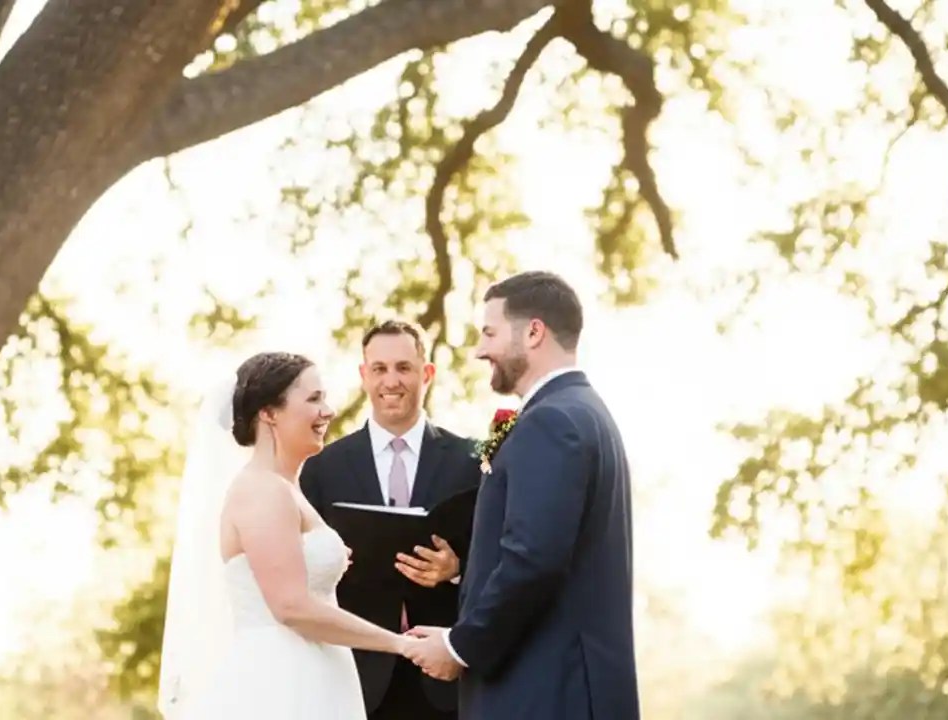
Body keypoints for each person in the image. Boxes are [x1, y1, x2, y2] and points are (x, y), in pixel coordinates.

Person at [406, 271, 641, 719]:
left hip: (546, 693)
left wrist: (459, 646)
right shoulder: (583, 412)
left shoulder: (552, 422)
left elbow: (533, 559)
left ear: (534, 331)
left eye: (489, 332)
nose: (479, 349)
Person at [157, 351, 421, 719]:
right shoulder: (262, 491)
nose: (327, 411)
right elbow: (291, 606)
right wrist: (399, 644)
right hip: (280, 681)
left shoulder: (288, 490)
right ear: (269, 412)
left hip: (316, 672)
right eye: (313, 399)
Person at [301, 320, 480, 719]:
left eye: (404, 367)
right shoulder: (322, 468)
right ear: (364, 376)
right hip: (354, 676)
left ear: (427, 374)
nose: (391, 381)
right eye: (379, 369)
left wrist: (456, 570)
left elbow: (499, 562)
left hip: (445, 677)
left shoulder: (471, 462)